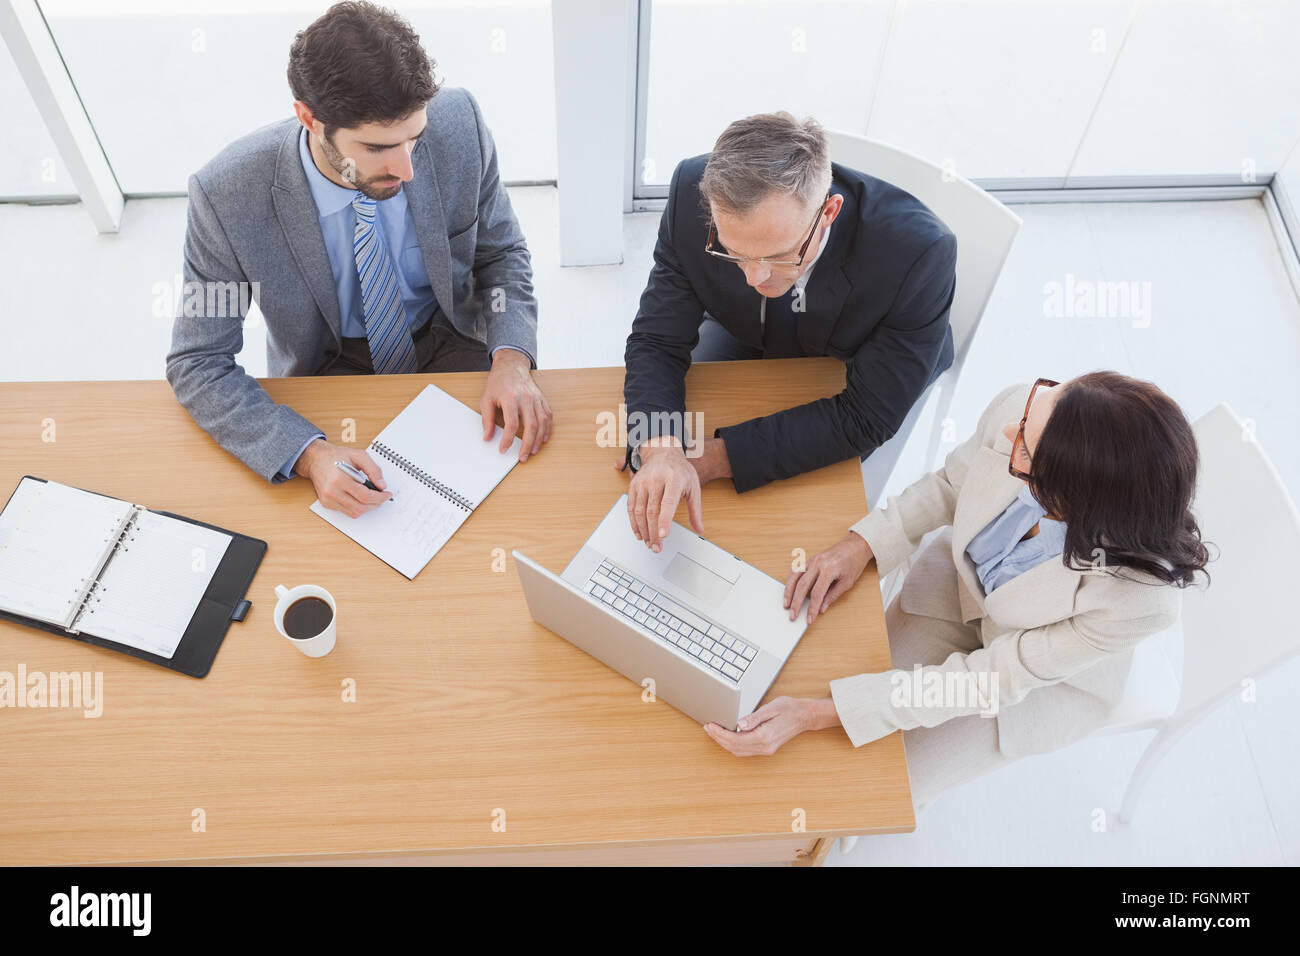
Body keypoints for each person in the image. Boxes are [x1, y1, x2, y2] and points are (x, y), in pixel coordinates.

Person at [703, 373, 1211, 812]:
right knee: (841, 703)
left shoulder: (1140, 602)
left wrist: (817, 713)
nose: (1013, 429)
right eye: (1036, 408)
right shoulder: (1030, 409)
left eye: (1025, 452)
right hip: (958, 590)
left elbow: (990, 679)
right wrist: (863, 544)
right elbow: (951, 486)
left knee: (879, 784)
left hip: (1030, 684)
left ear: (1066, 501)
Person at [166, 1, 552, 518]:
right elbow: (198, 362)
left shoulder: (459, 124)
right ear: (309, 118)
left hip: (452, 345)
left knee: (516, 507)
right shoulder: (226, 195)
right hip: (326, 372)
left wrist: (511, 359)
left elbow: (502, 255)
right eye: (377, 148)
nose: (406, 168)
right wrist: (308, 454)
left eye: (413, 138)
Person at [618, 112, 957, 553]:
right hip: (744, 329)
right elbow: (657, 340)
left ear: (829, 212)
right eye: (733, 252)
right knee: (655, 455)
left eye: (778, 256)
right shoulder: (689, 190)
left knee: (796, 518)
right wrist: (661, 448)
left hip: (860, 357)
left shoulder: (920, 254)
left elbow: (866, 417)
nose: (755, 278)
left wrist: (712, 459)